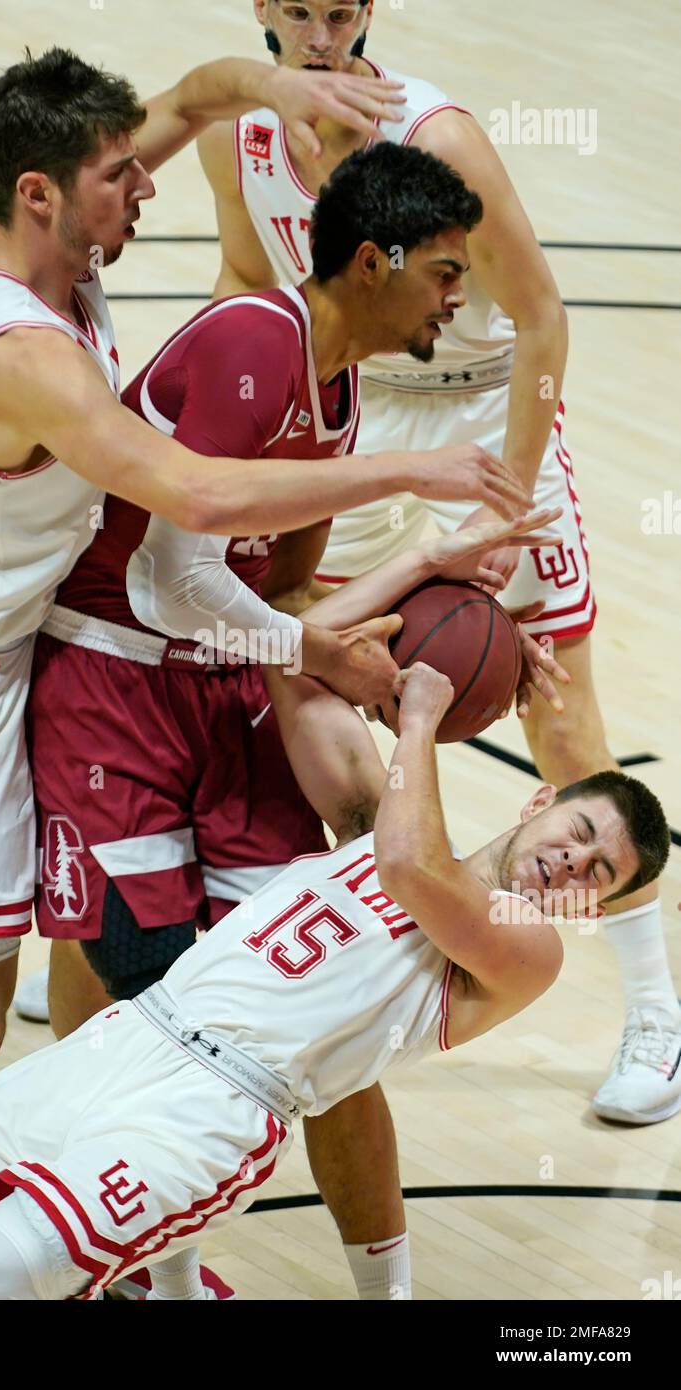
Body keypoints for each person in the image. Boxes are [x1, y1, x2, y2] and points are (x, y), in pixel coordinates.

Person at [0, 46, 529, 1227]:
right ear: (39, 191)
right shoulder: (23, 353)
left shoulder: (32, 227)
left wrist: (281, 90)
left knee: (72, 973)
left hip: (27, 643)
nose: (144, 187)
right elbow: (193, 503)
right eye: (119, 176)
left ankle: (64, 1231)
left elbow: (192, 100)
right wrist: (418, 468)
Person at [22, 142, 568, 1300]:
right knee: (158, 997)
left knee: (323, 1000)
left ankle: (387, 1293)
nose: (455, 298)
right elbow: (167, 581)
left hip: (221, 688)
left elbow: (270, 602)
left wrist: (441, 597)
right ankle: (145, 1278)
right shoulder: (250, 343)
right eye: (441, 271)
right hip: (116, 683)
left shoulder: (335, 384)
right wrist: (322, 647)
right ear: (370, 263)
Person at [0, 560, 667, 1300]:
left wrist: (418, 720)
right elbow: (290, 659)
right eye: (580, 834)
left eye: (599, 874)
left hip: (217, 1110)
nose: (573, 864)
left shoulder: (526, 950)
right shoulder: (377, 823)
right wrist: (430, 561)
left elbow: (417, 871)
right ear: (539, 802)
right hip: (123, 1039)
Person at [196, 0, 681, 1124]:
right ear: (262, 10)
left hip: (478, 417)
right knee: (280, 664)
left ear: (364, 14)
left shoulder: (437, 134)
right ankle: (212, 925)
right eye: (298, 11)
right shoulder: (245, 131)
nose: (319, 34)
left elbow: (542, 318)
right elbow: (238, 274)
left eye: (338, 12)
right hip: (352, 417)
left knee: (559, 723)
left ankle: (655, 1008)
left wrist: (504, 500)